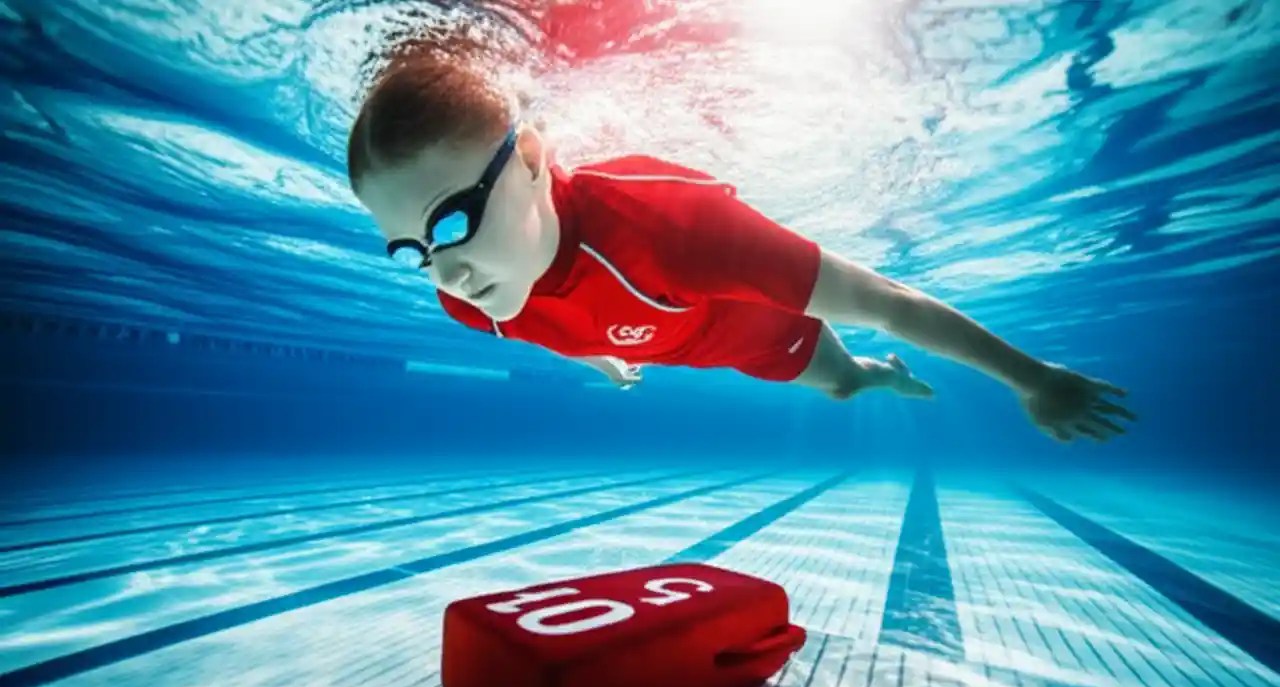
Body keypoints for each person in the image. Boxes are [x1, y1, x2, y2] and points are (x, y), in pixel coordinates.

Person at [344, 37, 1136, 444]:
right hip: (676, 343)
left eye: (449, 220)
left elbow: (886, 302)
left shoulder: (672, 232)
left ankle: (881, 381)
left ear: (530, 159)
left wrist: (1029, 378)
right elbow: (539, 317)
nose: (443, 272)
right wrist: (596, 354)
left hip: (759, 329)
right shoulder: (470, 298)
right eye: (410, 249)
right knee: (842, 391)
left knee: (846, 382)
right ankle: (873, 381)